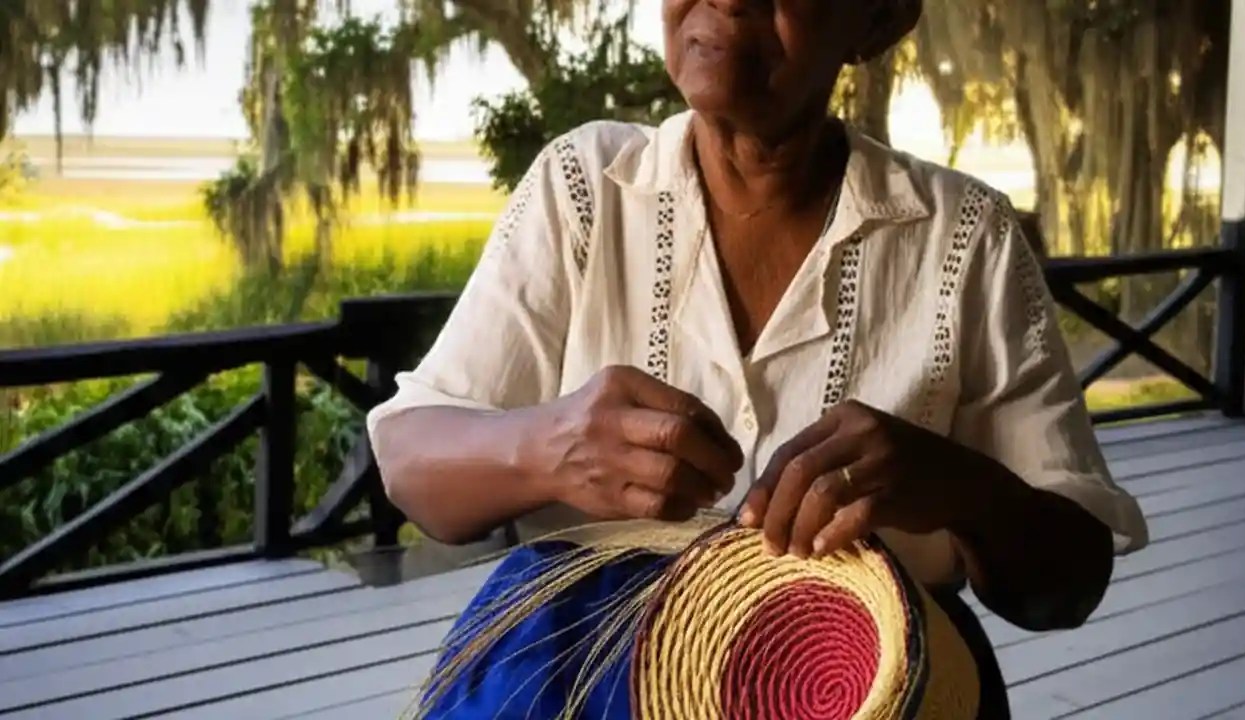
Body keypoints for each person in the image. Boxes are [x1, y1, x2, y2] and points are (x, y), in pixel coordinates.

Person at [368, 0, 1149, 716]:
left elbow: (1070, 584)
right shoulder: (585, 188)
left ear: (874, 22)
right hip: (569, 679)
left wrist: (959, 487)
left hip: (868, 687)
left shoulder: (962, 237)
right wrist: (547, 447)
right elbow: (411, 462)